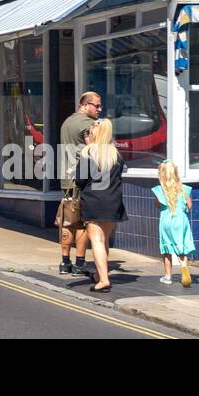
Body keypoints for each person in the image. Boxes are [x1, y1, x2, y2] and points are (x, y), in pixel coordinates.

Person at [76, 117, 126, 293]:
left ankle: (104, 279)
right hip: (113, 202)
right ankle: (99, 274)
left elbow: (80, 180)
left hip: (94, 201)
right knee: (104, 241)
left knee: (96, 241)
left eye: (90, 131)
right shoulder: (116, 154)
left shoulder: (89, 152)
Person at [57, 91, 102, 276]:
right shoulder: (87, 123)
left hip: (66, 180)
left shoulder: (67, 122)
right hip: (82, 180)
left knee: (67, 221)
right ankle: (79, 264)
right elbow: (93, 150)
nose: (100, 109)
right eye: (96, 105)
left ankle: (64, 262)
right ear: (85, 105)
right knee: (82, 223)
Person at [153, 160, 194, 286]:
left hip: (166, 221)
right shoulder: (184, 189)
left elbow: (157, 205)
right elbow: (189, 205)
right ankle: (184, 266)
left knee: (167, 249)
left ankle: (168, 276)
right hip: (181, 220)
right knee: (181, 246)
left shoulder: (159, 190)